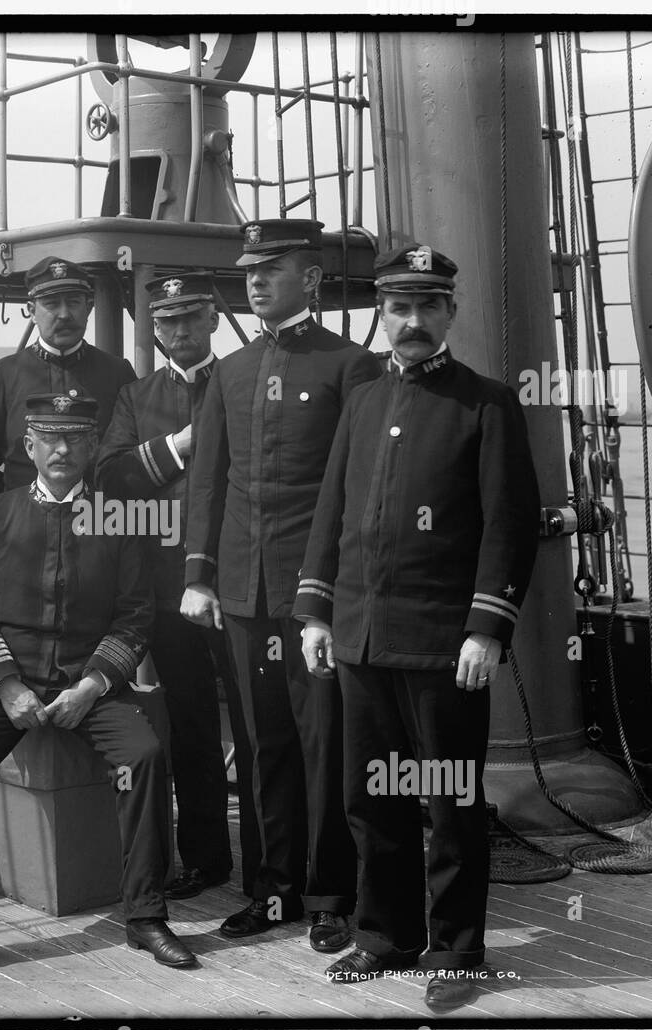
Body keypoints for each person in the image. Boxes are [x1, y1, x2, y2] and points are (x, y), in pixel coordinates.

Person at [294, 243, 540, 1012]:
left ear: (449, 314)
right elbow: (331, 511)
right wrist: (314, 609)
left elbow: (510, 524)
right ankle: (385, 934)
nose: (412, 321)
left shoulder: (486, 402)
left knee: (448, 803)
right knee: (374, 798)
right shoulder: (364, 399)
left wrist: (486, 627)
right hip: (363, 639)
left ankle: (456, 949)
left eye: (428, 307)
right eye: (399, 307)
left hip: (442, 646)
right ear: (382, 312)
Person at [0, 393, 196, 978]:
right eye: (49, 438)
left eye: (76, 439)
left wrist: (91, 686)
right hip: (4, 684)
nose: (62, 450)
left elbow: (135, 616)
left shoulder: (116, 517)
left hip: (90, 685)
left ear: (92, 447)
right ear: (30, 447)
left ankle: (143, 915)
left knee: (143, 757)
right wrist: (8, 688)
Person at [182, 219, 382, 951]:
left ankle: (332, 892)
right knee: (263, 744)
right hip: (241, 594)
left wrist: (327, 594)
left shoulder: (349, 367)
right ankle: (273, 888)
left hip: (314, 599)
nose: (256, 280)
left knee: (323, 741)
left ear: (312, 278)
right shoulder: (230, 373)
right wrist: (198, 574)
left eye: (273, 268)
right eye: (251, 270)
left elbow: (356, 493)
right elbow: (208, 480)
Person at [97, 269, 258, 901]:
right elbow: (110, 479)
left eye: (191, 318)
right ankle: (207, 859)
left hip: (244, 585)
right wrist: (183, 443)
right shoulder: (138, 399)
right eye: (166, 323)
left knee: (257, 728)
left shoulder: (244, 380)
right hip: (169, 590)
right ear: (151, 330)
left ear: (214, 320)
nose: (179, 331)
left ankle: (273, 860)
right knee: (191, 727)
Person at [0, 256, 133, 492]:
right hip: (25, 520)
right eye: (51, 303)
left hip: (98, 520)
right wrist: (7, 511)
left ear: (89, 307)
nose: (65, 314)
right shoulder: (2, 376)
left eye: (74, 302)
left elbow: (131, 457)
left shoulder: (118, 373)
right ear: (32, 311)